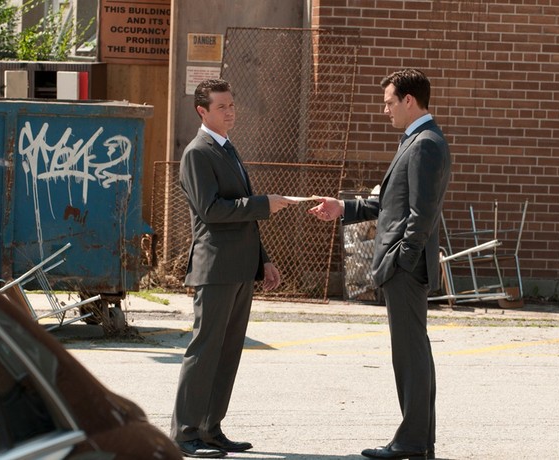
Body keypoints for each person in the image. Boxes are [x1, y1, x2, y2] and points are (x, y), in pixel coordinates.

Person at [309, 69, 451, 460]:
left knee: (410, 356)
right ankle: (419, 442)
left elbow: (421, 215)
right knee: (412, 354)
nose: (384, 109)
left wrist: (401, 259)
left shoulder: (425, 144)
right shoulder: (418, 140)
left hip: (405, 268)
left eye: (389, 102)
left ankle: (412, 442)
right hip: (404, 266)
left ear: (409, 100)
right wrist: (343, 207)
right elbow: (390, 204)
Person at [170, 78, 294, 458]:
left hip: (240, 267)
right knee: (205, 350)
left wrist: (263, 259)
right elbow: (211, 210)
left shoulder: (228, 148)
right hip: (215, 267)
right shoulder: (197, 153)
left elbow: (242, 216)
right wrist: (263, 203)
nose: (230, 112)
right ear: (202, 111)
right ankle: (185, 433)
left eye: (232, 105)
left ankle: (210, 429)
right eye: (221, 107)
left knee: (227, 352)